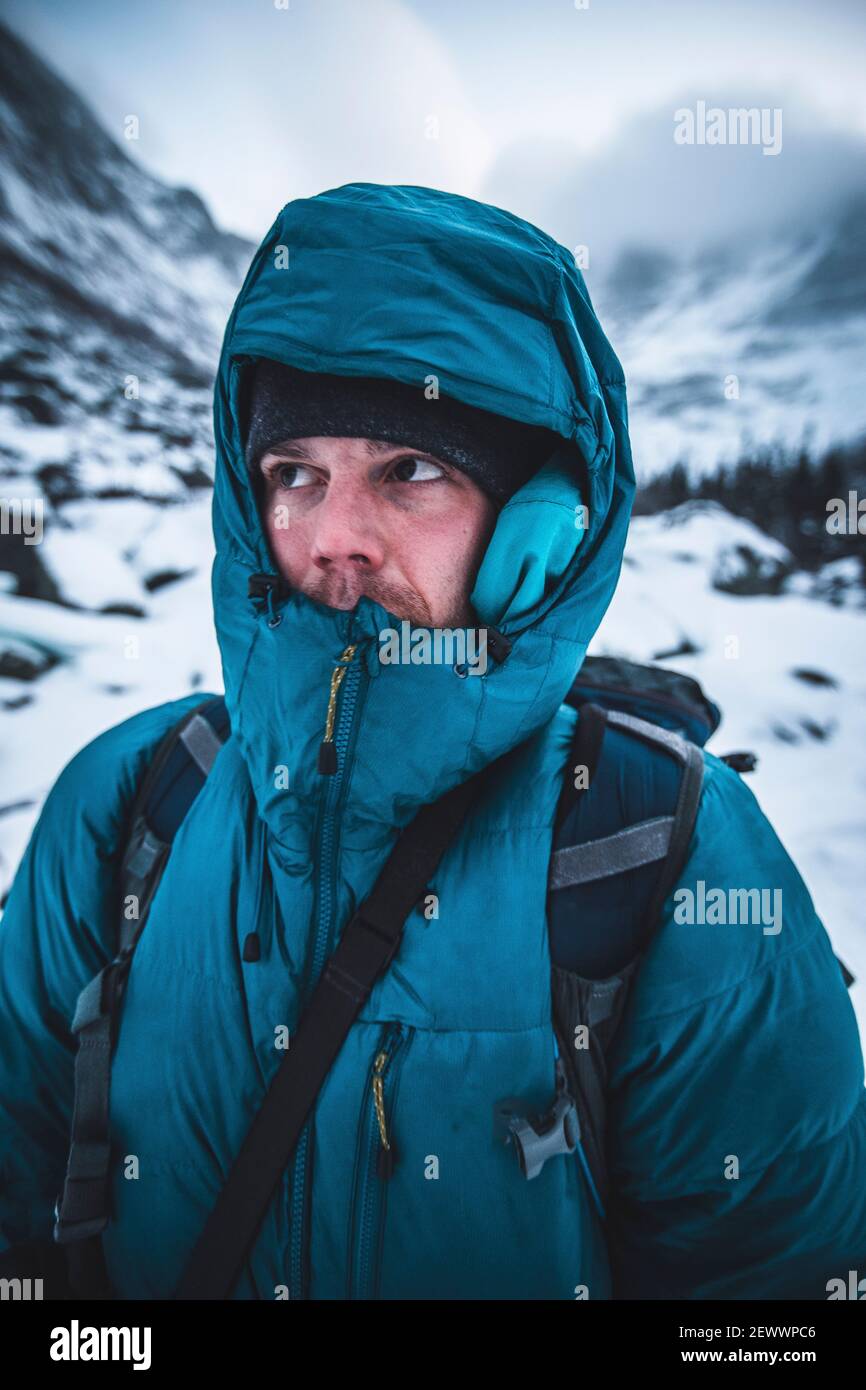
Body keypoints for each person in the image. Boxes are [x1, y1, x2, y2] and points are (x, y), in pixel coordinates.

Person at [1, 182, 864, 1301]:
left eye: (409, 471)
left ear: (535, 536)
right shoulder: (124, 806)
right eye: (292, 474)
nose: (331, 541)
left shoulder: (665, 854)